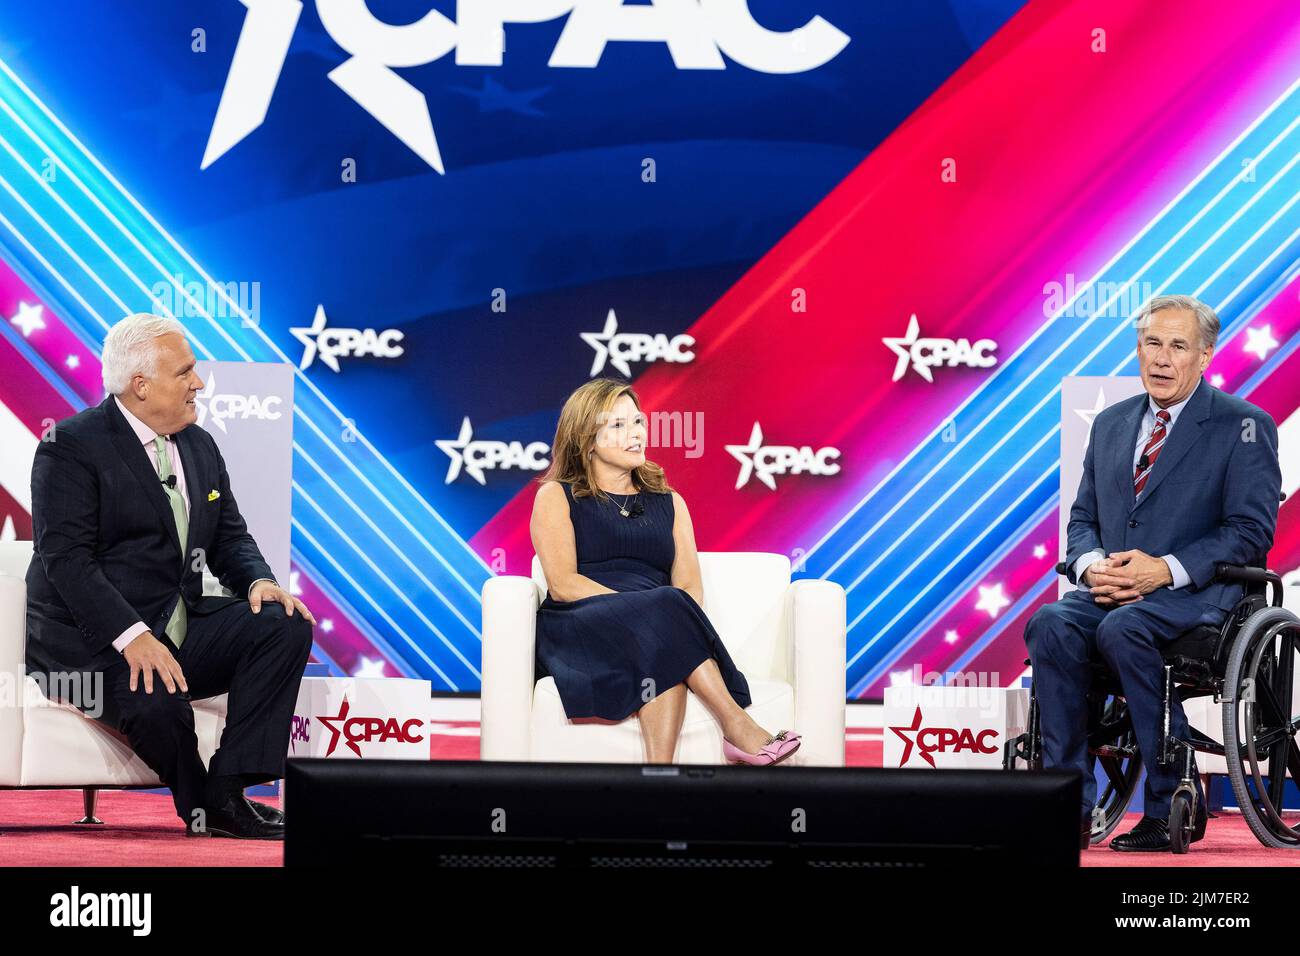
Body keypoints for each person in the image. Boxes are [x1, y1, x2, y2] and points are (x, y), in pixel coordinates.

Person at [25, 313, 315, 839]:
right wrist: (132, 636)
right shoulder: (70, 445)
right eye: (184, 372)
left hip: (176, 627)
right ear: (141, 385)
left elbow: (229, 537)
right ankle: (205, 807)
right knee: (156, 705)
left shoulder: (199, 445)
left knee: (283, 623)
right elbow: (66, 559)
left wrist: (258, 582)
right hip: (91, 646)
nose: (198, 383)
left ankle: (230, 789)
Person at [1024, 294, 1281, 852]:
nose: (1162, 358)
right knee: (1050, 622)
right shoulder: (1112, 423)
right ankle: (1065, 801)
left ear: (1205, 355)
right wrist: (1092, 567)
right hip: (1114, 589)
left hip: (1201, 595)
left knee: (1125, 629)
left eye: (1178, 346)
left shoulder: (1244, 425)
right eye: (1152, 343)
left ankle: (1168, 800)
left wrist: (1163, 570)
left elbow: (1250, 531)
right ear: (1138, 349)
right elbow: (1083, 517)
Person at [529, 378, 800, 766]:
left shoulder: (670, 501)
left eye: (637, 421)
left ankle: (658, 776)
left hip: (658, 626)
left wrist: (651, 619)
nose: (636, 433)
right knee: (661, 623)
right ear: (587, 440)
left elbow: (689, 586)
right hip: (581, 623)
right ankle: (737, 725)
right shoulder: (557, 495)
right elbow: (563, 584)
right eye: (618, 425)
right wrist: (642, 613)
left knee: (663, 643)